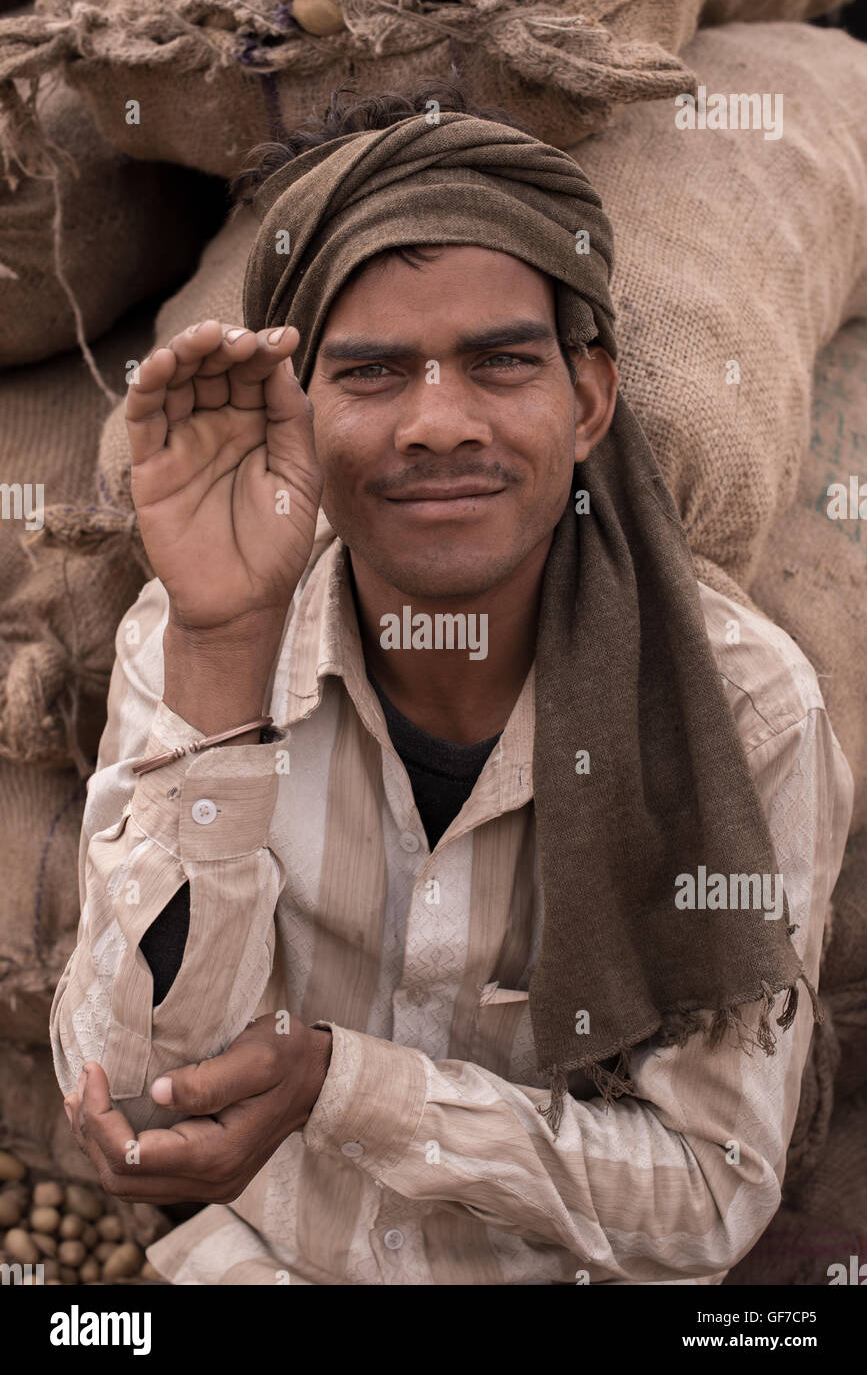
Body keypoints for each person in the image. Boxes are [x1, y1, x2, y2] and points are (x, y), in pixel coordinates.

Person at [52, 80, 853, 1286]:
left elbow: (702, 1194)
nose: (437, 421)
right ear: (299, 410)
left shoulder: (745, 711)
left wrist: (347, 1082)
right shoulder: (201, 635)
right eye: (372, 372)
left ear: (587, 401)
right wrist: (222, 658)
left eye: (498, 362)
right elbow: (133, 1098)